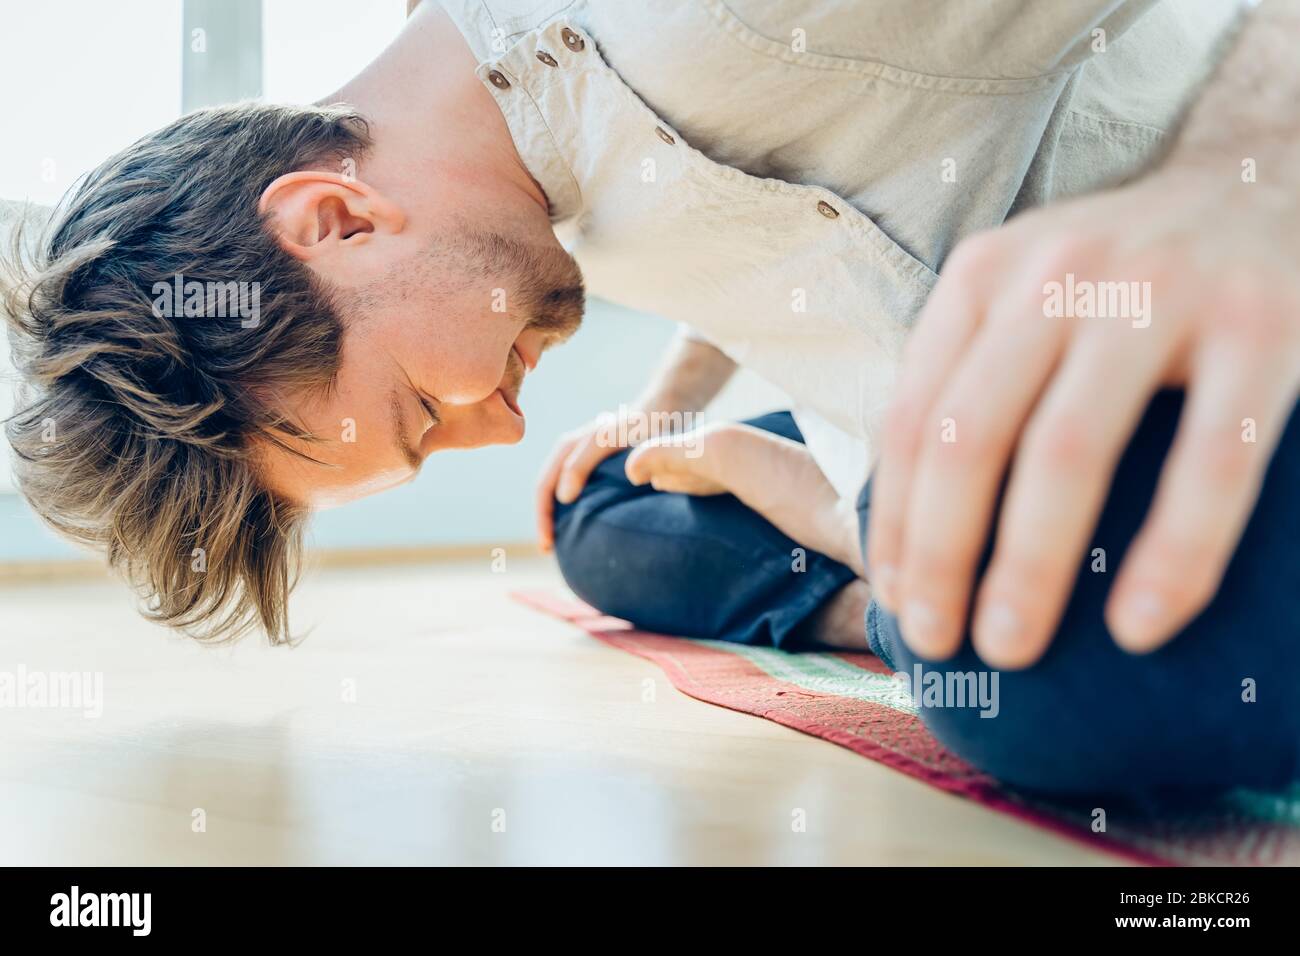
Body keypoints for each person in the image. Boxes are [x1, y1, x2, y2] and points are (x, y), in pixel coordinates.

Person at [4, 0, 1295, 796]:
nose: (497, 422)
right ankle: (882, 541)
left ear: (336, 220)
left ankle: (877, 554)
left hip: (1211, 329)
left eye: (424, 411)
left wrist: (1244, 179)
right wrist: (672, 409)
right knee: (600, 510)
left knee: (1025, 692)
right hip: (948, 408)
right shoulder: (513, 159)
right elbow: (771, 227)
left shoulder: (708, 21)